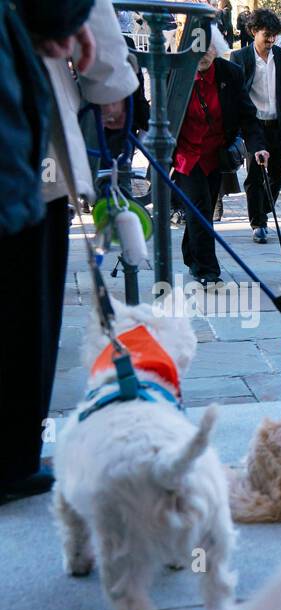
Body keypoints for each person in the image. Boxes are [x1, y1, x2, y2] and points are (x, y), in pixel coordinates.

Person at [1, 0, 137, 506]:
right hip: (19, 120)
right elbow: (67, 13)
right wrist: (112, 85)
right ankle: (11, 458)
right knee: (24, 297)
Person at [172, 25, 268, 283]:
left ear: (217, 49)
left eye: (208, 48)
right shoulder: (176, 73)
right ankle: (208, 271)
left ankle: (191, 257)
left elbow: (247, 115)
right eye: (196, 48)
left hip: (215, 155)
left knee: (199, 210)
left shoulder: (230, 73)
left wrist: (258, 146)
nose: (202, 54)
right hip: (186, 154)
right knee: (201, 208)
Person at [232, 8, 281, 246]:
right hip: (253, 126)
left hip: (278, 125)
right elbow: (236, 95)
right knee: (256, 174)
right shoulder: (240, 58)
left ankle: (264, 208)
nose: (271, 40)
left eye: (274, 36)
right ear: (253, 32)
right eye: (266, 35)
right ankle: (258, 223)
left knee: (278, 172)